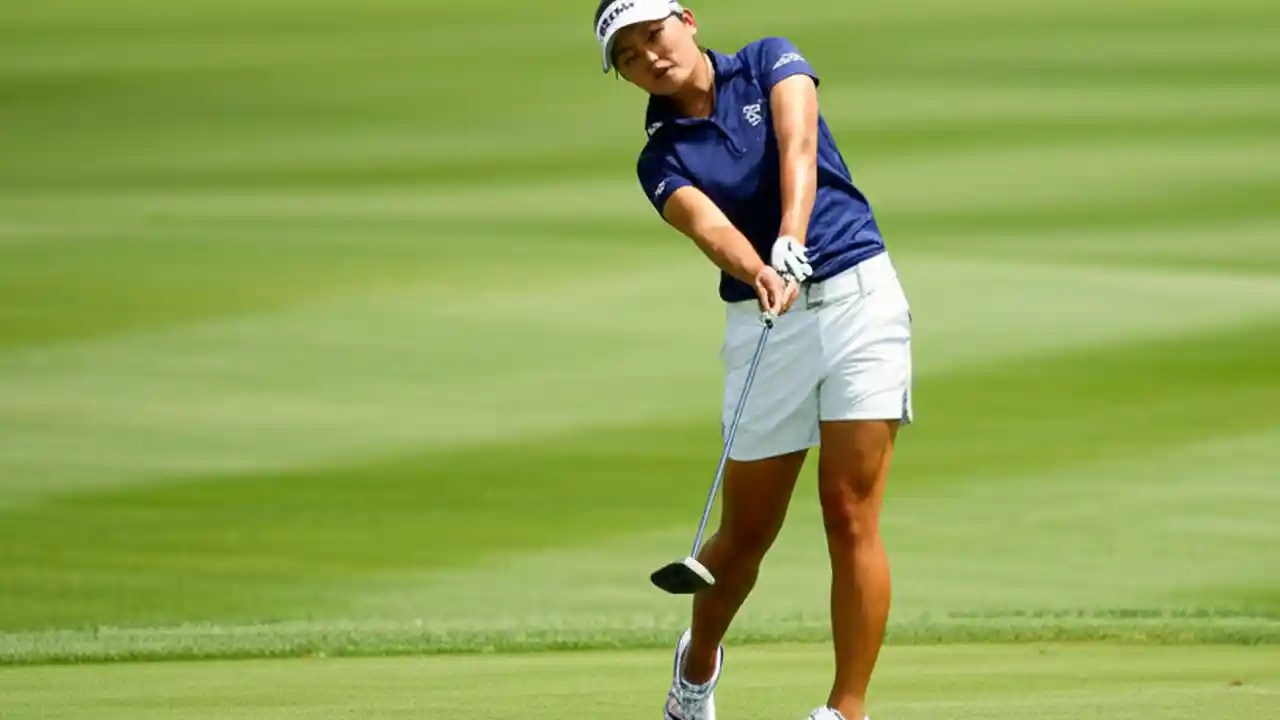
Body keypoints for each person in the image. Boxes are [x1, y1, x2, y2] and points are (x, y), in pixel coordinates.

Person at [593, 2, 913, 719]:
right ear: (622, 74)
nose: (651, 56)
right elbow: (706, 226)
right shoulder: (661, 157)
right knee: (745, 536)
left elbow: (799, 142)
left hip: (862, 296)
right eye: (630, 56)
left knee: (850, 512)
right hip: (766, 319)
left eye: (655, 34)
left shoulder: (770, 58)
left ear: (687, 20)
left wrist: (791, 237)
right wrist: (763, 270)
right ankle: (697, 663)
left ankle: (845, 709)